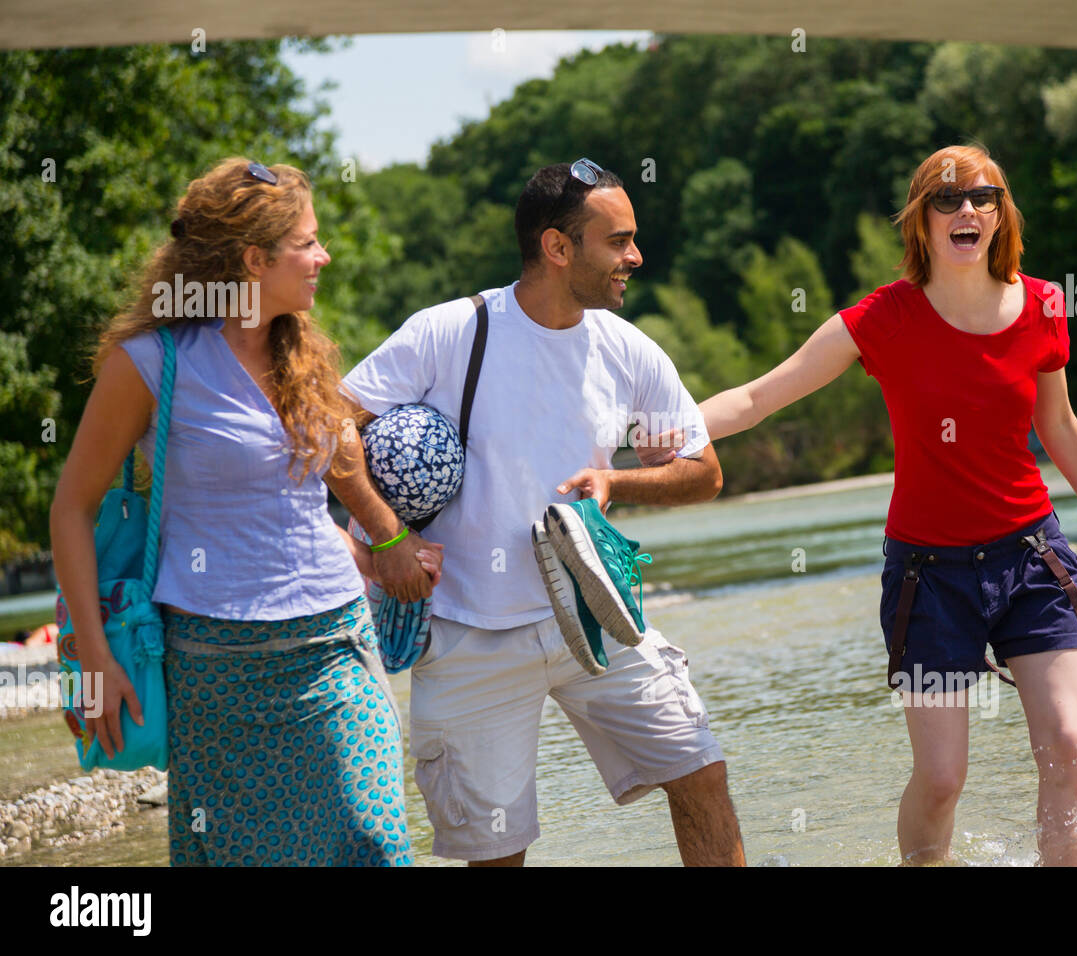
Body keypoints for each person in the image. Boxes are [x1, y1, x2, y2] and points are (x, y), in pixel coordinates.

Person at [650, 144, 1077, 866]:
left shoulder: (1043, 305)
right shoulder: (883, 319)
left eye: (983, 197)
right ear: (921, 221)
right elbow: (761, 395)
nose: (967, 210)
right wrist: (673, 430)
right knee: (944, 777)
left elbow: (1058, 424)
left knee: (1068, 745)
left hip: (1032, 556)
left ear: (1002, 213)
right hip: (929, 577)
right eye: (946, 201)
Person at [336, 159, 746, 866]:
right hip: (468, 635)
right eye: (618, 241)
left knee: (701, 772)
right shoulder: (448, 332)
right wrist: (387, 537)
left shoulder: (627, 350)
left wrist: (619, 483)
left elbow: (703, 471)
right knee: (500, 853)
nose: (635, 258)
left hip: (598, 617)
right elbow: (333, 424)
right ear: (558, 248)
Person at [49, 157, 437, 866]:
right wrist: (94, 659)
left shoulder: (307, 353)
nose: (324, 257)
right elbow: (70, 509)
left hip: (335, 644)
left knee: (375, 842)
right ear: (255, 259)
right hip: (214, 669)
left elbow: (333, 475)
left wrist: (386, 543)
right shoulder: (149, 363)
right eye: (308, 243)